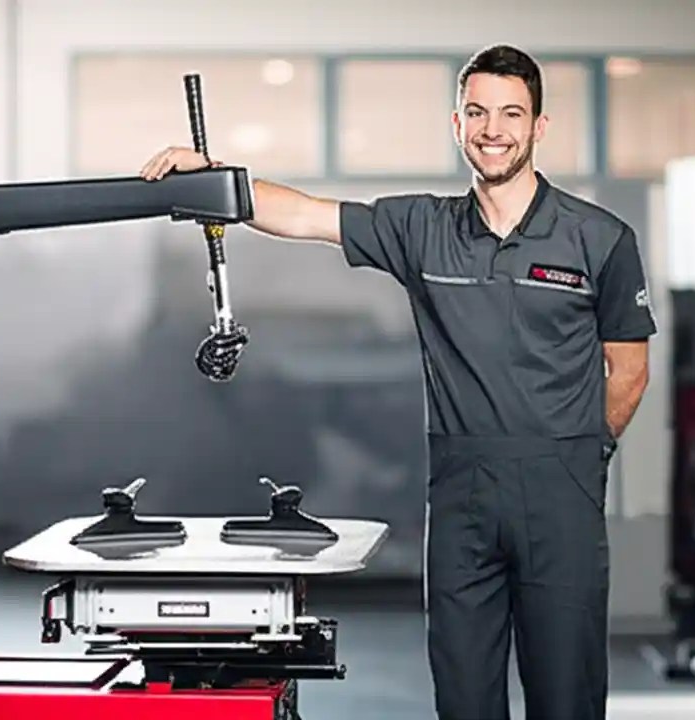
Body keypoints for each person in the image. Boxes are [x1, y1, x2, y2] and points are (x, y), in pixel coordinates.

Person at [141, 43, 655, 720]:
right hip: (462, 496)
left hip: (562, 492)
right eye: (477, 112)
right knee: (465, 699)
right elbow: (303, 215)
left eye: (510, 113)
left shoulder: (600, 239)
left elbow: (630, 370)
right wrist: (212, 179)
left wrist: (580, 455)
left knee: (567, 699)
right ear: (457, 123)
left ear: (539, 127)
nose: (492, 129)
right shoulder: (422, 228)